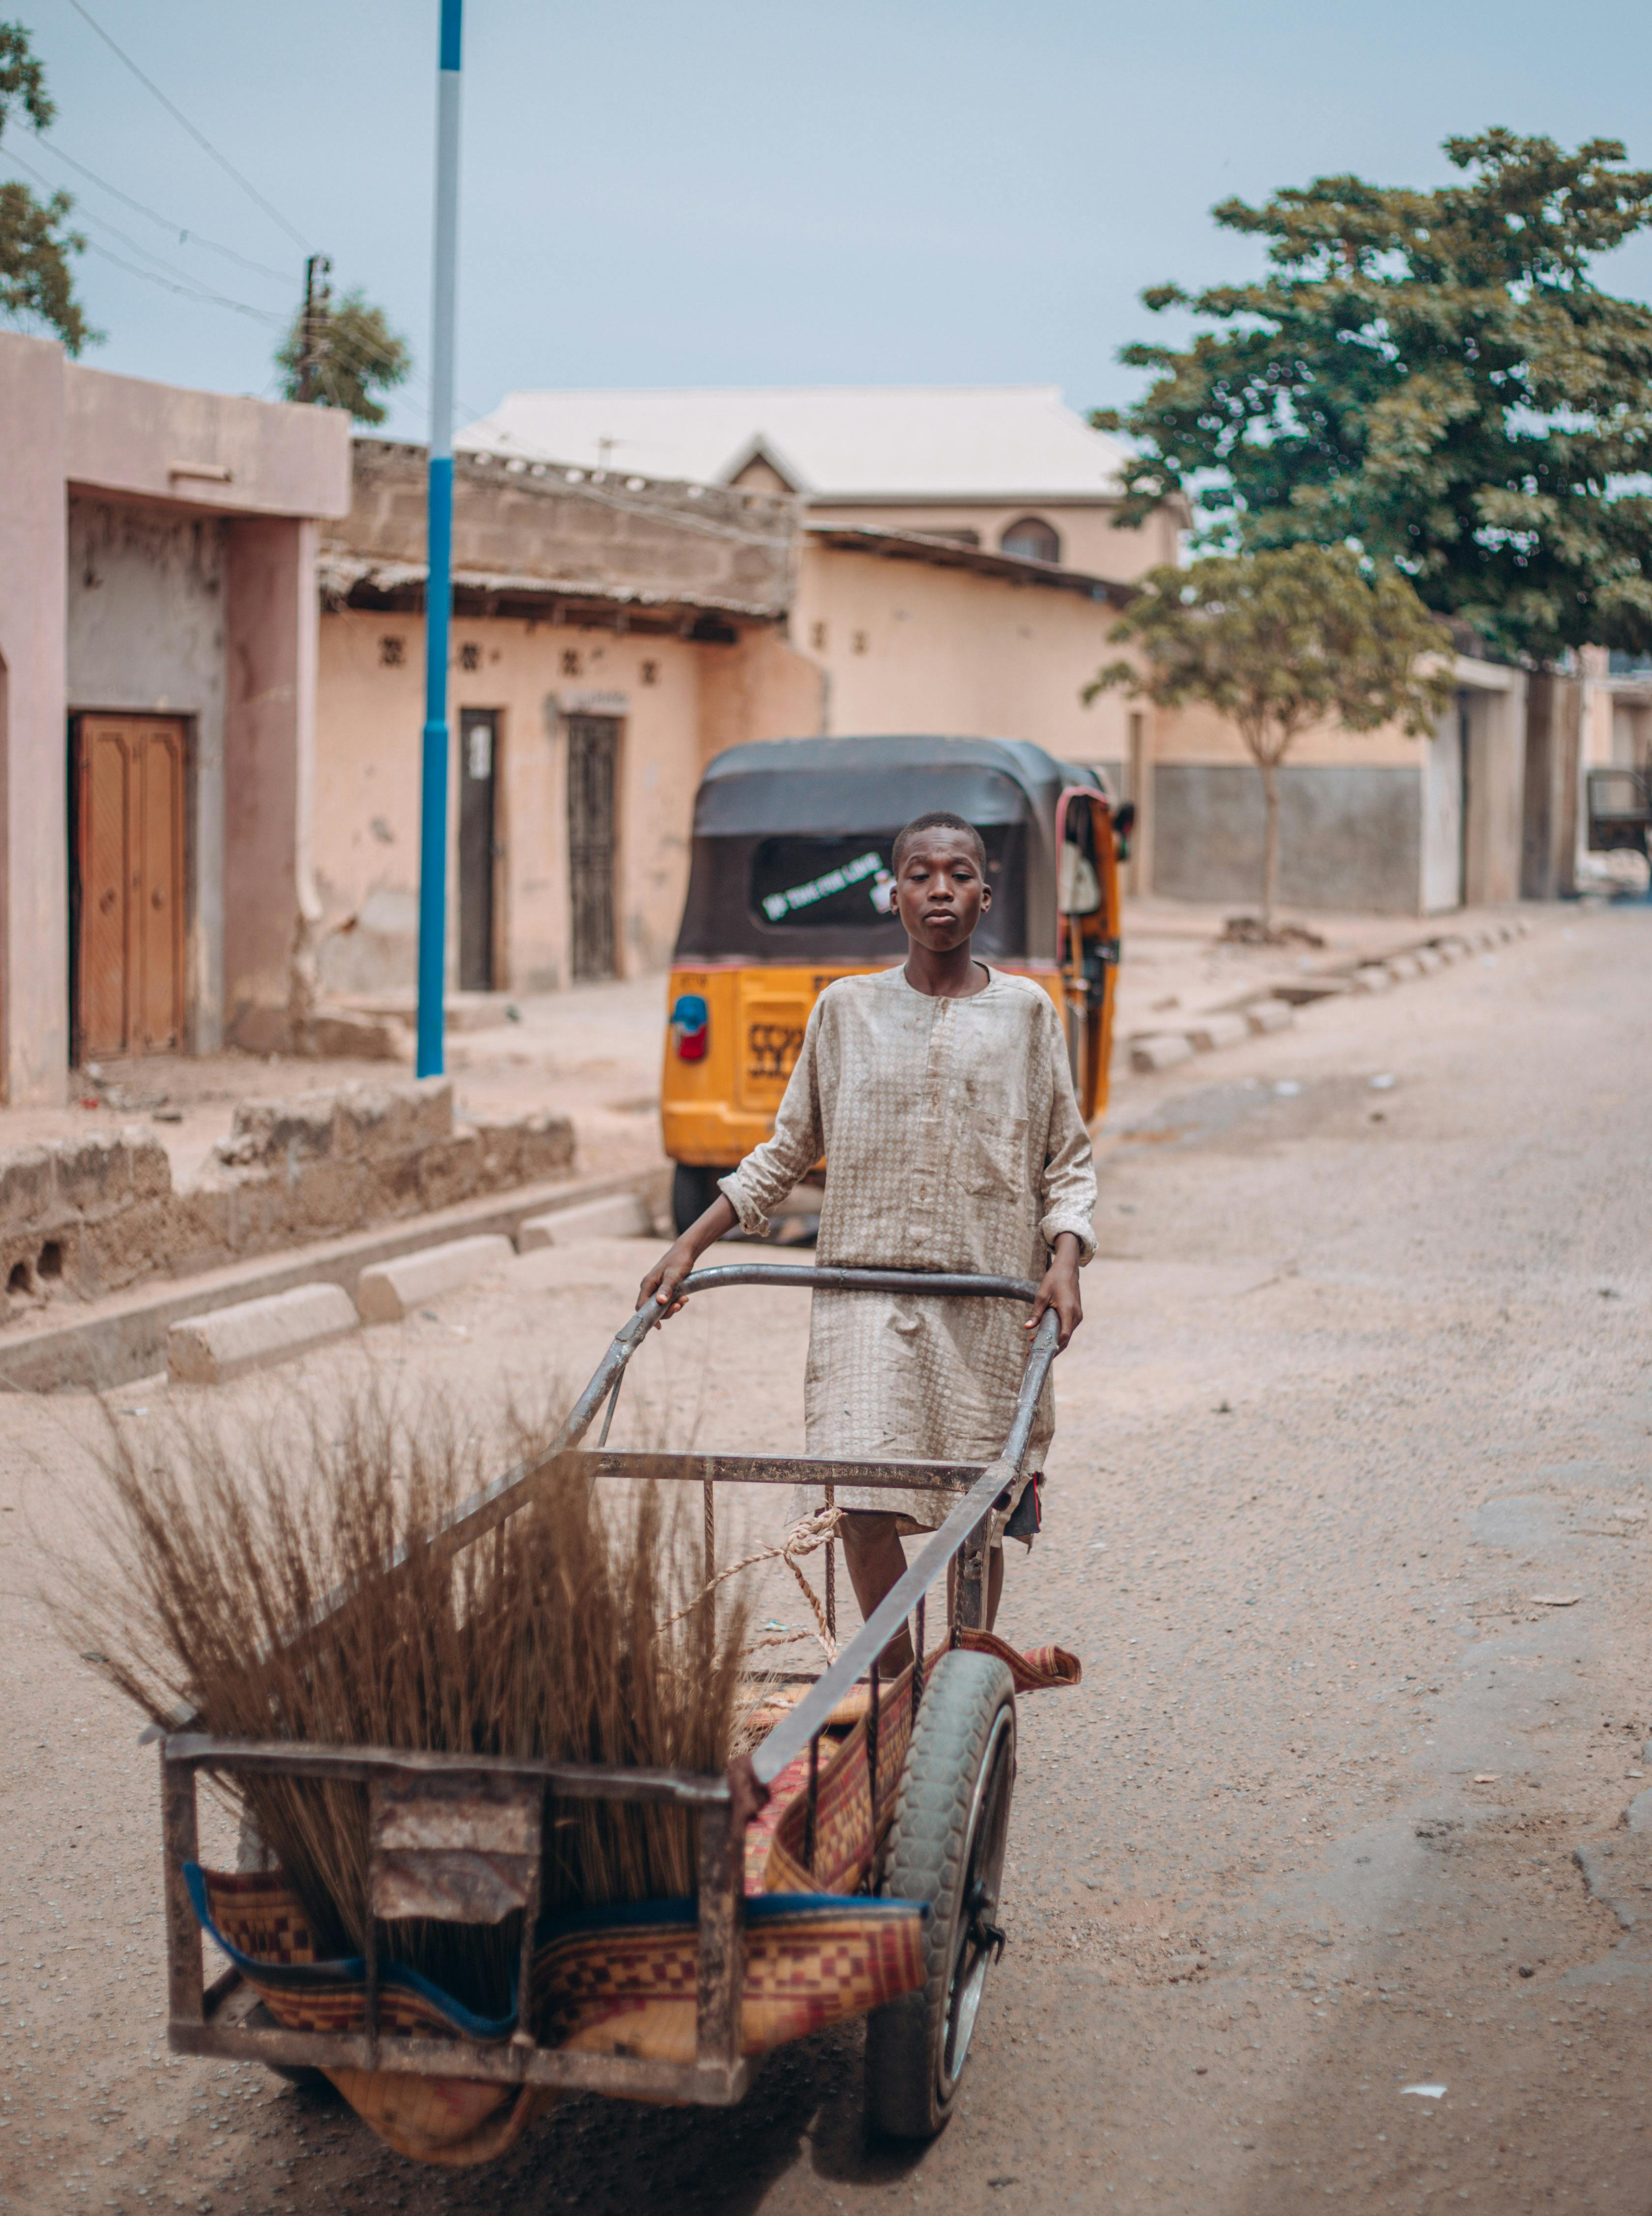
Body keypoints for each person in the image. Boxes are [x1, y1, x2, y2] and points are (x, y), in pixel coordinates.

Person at [636, 808, 1096, 1663]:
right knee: (860, 1494)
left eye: (959, 875)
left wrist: (1065, 1261)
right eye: (921, 875)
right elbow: (784, 1152)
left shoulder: (1029, 1016)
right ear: (893, 895)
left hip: (988, 1300)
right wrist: (690, 1246)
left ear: (985, 896)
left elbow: (1065, 1162)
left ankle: (966, 1688)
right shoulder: (844, 1011)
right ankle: (895, 1687)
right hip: (864, 1297)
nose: (940, 891)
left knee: (973, 1505)